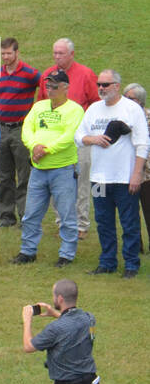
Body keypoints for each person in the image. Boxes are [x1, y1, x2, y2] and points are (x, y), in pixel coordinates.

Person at [77, 69, 148, 277]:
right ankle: (107, 262)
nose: (101, 88)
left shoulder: (131, 109)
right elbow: (78, 135)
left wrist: (137, 174)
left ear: (117, 86)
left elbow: (142, 144)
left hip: (124, 178)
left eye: (105, 85)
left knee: (129, 222)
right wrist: (93, 139)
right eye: (99, 84)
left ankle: (131, 265)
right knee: (103, 221)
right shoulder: (93, 109)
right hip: (99, 179)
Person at [13, 71, 84, 267]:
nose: (50, 89)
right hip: (38, 168)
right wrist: (34, 146)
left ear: (66, 88)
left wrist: (47, 150)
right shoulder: (39, 106)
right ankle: (27, 251)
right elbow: (27, 129)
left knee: (66, 214)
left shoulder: (75, 110)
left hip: (63, 169)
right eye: (48, 86)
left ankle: (67, 254)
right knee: (31, 213)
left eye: (54, 86)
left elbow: (70, 136)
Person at [38, 38, 99, 238]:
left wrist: (80, 117)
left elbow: (96, 103)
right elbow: (41, 103)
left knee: (81, 181)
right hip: (54, 138)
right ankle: (62, 222)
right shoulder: (47, 75)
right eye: (55, 53)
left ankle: (81, 224)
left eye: (61, 53)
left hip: (79, 137)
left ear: (72, 54)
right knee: (57, 181)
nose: (57, 57)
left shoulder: (86, 74)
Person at [0, 37, 40, 227]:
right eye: (2, 53)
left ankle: (26, 215)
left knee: (24, 174)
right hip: (2, 128)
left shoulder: (30, 73)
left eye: (9, 53)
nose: (6, 57)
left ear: (17, 53)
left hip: (21, 129)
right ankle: (6, 216)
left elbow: (44, 89)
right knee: (4, 175)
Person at [123, 82, 150, 245]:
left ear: (139, 101)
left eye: (130, 98)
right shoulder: (121, 118)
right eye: (124, 97)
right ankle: (135, 244)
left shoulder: (148, 117)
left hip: (147, 174)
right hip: (126, 172)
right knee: (130, 213)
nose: (125, 100)